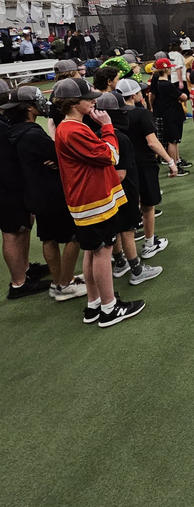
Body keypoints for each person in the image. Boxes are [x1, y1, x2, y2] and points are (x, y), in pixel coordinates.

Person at [52, 77, 145, 327]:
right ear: (75, 102)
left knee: (92, 251)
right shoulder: (74, 129)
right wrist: (106, 127)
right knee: (102, 251)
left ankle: (95, 303)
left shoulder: (66, 127)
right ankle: (109, 307)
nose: (93, 103)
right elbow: (110, 156)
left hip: (85, 199)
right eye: (88, 99)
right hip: (93, 200)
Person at [2, 87, 85, 302]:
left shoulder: (13, 131)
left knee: (48, 237)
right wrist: (57, 159)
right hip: (51, 193)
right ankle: (65, 283)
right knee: (74, 236)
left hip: (34, 194)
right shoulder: (32, 133)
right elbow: (61, 154)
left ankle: (58, 283)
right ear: (28, 107)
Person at [95, 92, 163, 287]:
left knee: (116, 228)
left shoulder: (99, 135)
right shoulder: (120, 138)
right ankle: (136, 269)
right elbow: (120, 174)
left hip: (109, 195)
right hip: (124, 191)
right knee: (128, 229)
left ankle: (120, 263)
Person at [0, 80, 52, 300]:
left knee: (21, 227)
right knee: (13, 232)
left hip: (12, 183)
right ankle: (19, 283)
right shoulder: (2, 126)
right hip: (6, 185)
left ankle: (25, 270)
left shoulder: (4, 122)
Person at [117, 77, 175, 258]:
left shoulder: (110, 113)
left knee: (125, 209)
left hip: (121, 166)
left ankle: (120, 255)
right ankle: (149, 244)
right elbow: (152, 142)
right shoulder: (140, 114)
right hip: (143, 164)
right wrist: (170, 161)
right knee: (148, 206)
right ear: (134, 95)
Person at [151, 59, 190, 170]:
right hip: (172, 114)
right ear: (166, 69)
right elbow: (183, 97)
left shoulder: (156, 82)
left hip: (165, 113)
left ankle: (177, 160)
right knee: (172, 141)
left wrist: (153, 107)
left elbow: (151, 96)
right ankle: (174, 165)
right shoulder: (167, 85)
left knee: (175, 140)